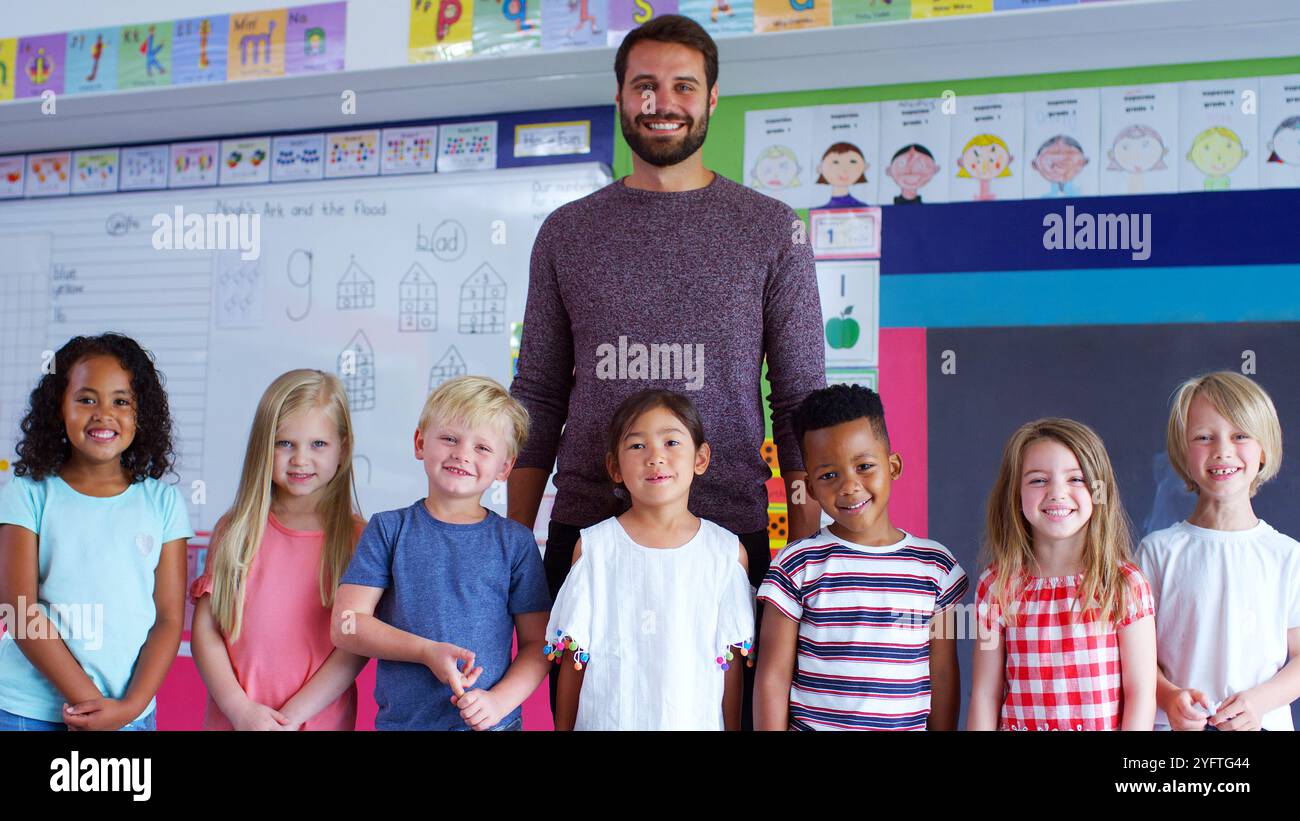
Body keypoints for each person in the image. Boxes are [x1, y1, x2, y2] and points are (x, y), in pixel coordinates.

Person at [509, 13, 825, 728]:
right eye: (644, 86)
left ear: (713, 99)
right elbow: (536, 391)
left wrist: (804, 546)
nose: (662, 102)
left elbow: (800, 395)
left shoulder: (774, 229)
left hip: (728, 532)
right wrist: (509, 541)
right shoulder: (567, 231)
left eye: (683, 85)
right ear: (619, 97)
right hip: (589, 530)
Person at [0, 333, 193, 731]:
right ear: (60, 408)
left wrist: (128, 709)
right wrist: (90, 705)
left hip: (128, 714)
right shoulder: (27, 495)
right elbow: (19, 611)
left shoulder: (163, 504)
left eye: (121, 401)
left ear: (143, 414)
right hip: (30, 711)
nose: (104, 414)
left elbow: (169, 619)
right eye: (86, 399)